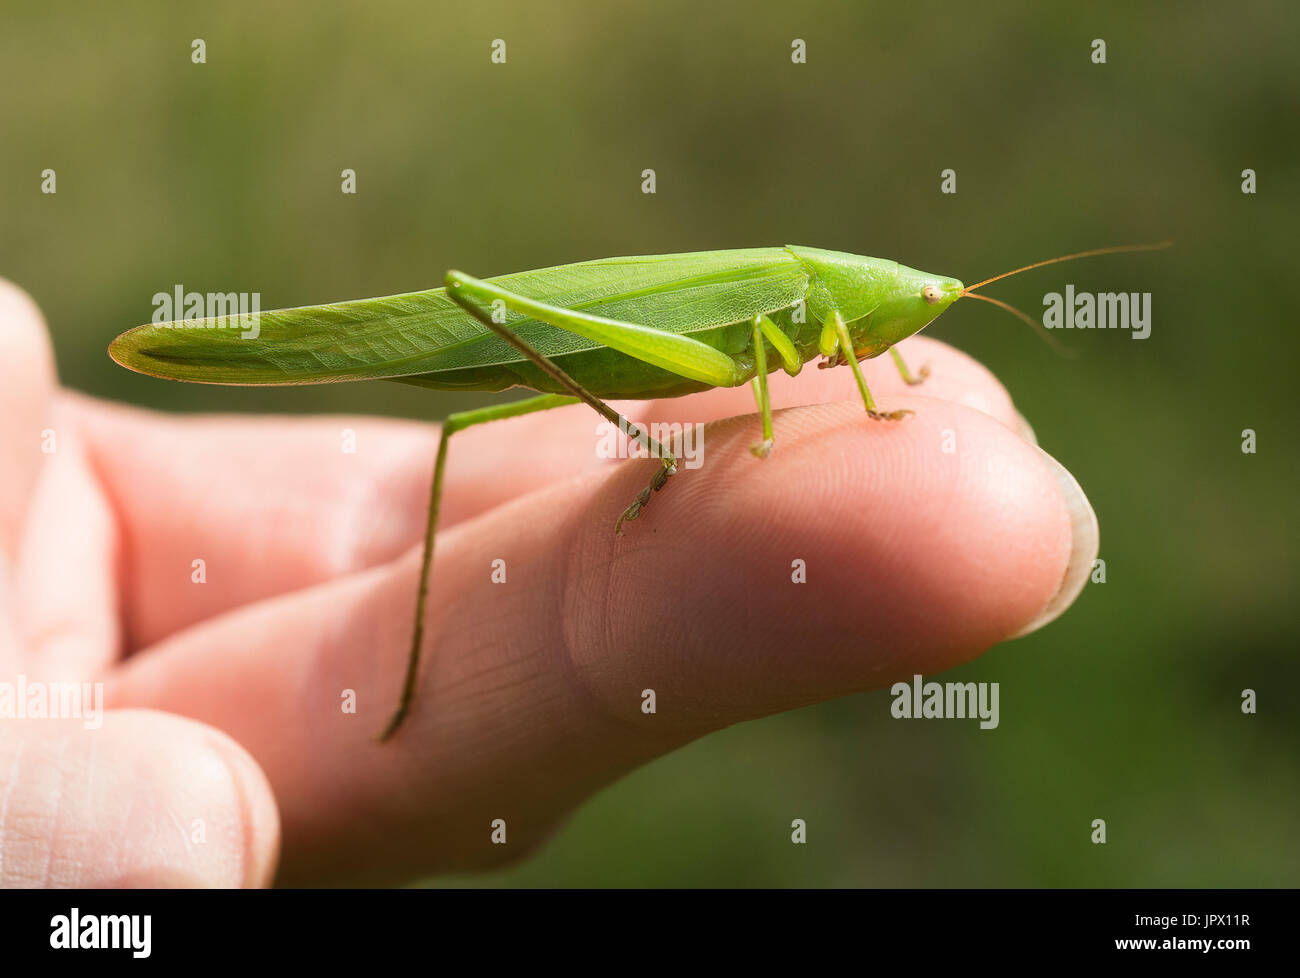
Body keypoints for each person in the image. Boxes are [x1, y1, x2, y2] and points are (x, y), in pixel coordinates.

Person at [0, 279, 1094, 887]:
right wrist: (746, 430)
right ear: (867, 303)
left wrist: (891, 370)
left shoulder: (858, 315)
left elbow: (816, 344)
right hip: (598, 336)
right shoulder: (804, 302)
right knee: (484, 388)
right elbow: (764, 338)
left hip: (654, 349)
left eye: (922, 319)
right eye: (909, 318)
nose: (913, 328)